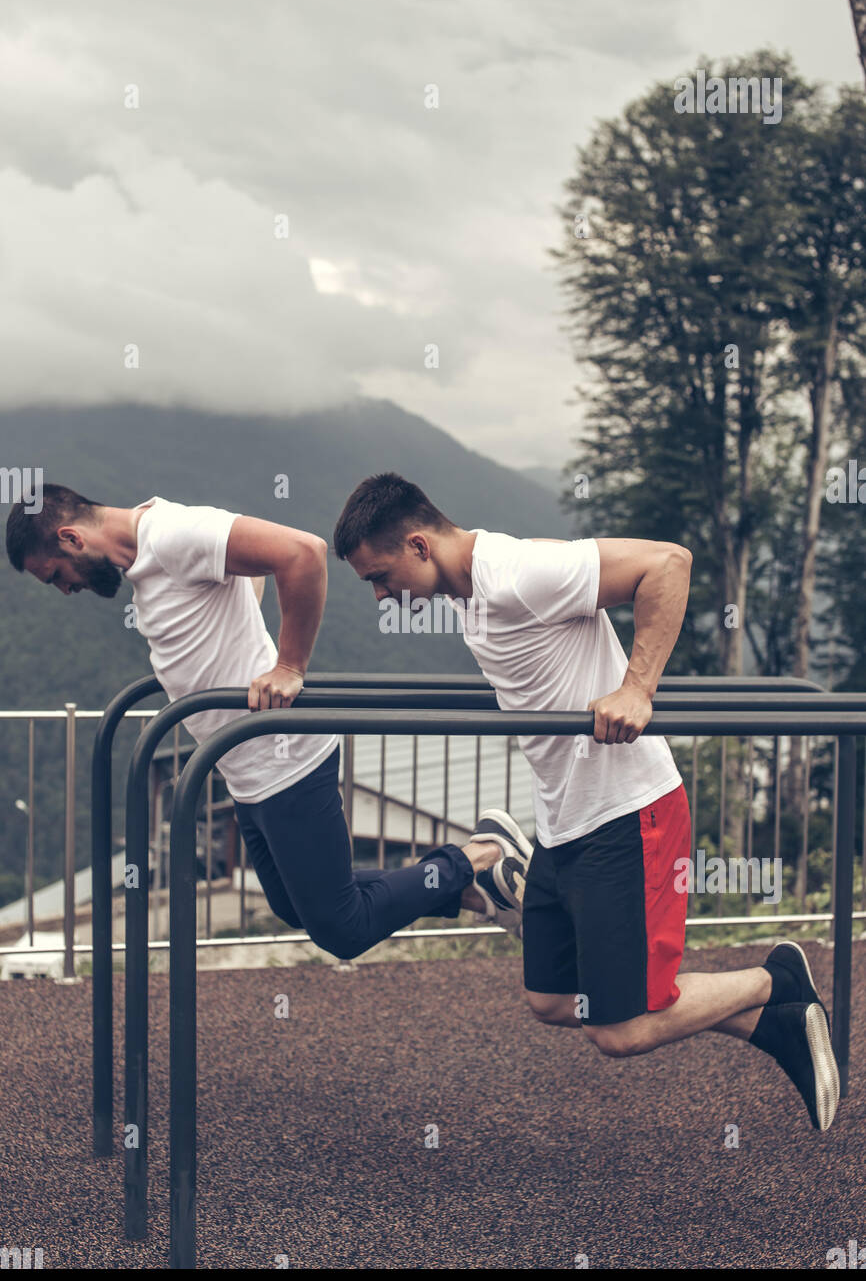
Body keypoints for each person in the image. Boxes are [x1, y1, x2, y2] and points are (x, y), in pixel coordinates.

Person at [333, 471, 840, 1132]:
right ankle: (771, 1022)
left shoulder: (517, 570)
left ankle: (776, 982)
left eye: (379, 575)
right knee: (549, 1000)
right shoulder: (466, 594)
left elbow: (666, 563)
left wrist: (637, 689)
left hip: (628, 814)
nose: (379, 596)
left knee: (619, 1030)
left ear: (420, 546)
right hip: (563, 822)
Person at [5, 484, 533, 957]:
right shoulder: (151, 555)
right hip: (244, 769)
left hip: (284, 759)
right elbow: (245, 575)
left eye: (55, 576)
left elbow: (302, 552)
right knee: (291, 903)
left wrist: (289, 666)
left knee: (342, 929)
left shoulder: (170, 534)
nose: (65, 590)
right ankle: (473, 886)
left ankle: (480, 855)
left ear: (71, 538)